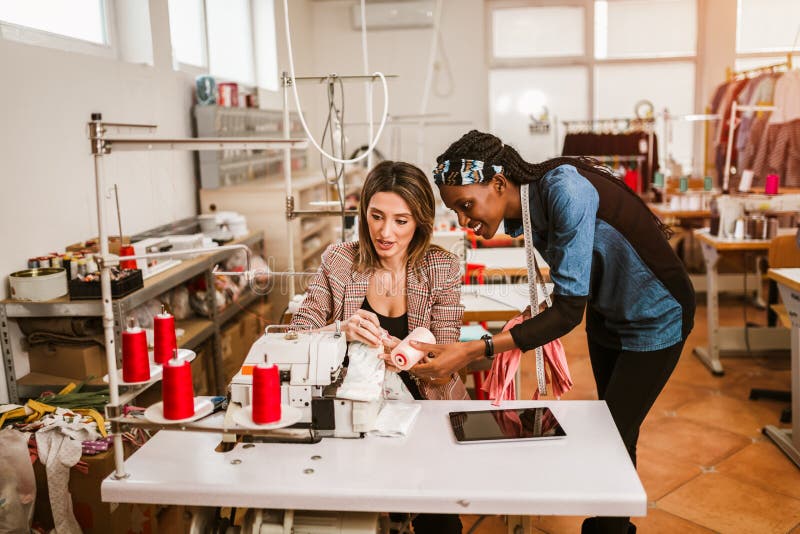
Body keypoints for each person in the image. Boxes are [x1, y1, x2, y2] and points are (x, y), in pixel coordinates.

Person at [410, 131, 695, 534]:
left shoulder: (565, 192)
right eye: (455, 210)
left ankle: (610, 527)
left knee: (612, 430)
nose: (463, 221)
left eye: (466, 205)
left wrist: (476, 349)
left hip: (657, 314)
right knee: (614, 426)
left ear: (498, 183)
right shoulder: (532, 204)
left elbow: (566, 314)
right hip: (608, 311)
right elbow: (573, 289)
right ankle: (610, 525)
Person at [291, 160, 468, 534]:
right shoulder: (339, 262)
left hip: (425, 411)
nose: (385, 232)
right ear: (364, 212)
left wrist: (404, 357)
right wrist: (342, 329)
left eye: (401, 221)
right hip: (350, 415)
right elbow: (297, 335)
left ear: (420, 221)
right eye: (376, 216)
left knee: (440, 522)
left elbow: (448, 362)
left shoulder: (442, 268)